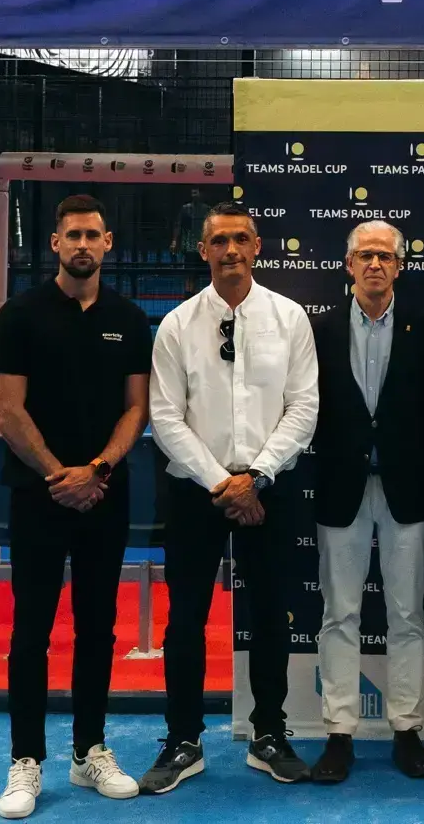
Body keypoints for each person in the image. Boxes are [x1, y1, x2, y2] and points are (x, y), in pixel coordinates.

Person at [141, 202, 320, 794]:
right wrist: (223, 482)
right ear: (203, 251)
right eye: (219, 241)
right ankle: (182, 740)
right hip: (198, 491)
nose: (231, 250)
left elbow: (304, 408)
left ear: (258, 246)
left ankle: (270, 733)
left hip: (269, 489)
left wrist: (258, 477)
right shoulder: (176, 325)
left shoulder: (290, 318)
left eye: (241, 239)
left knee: (272, 615)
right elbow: (165, 418)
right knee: (185, 619)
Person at [0, 195, 151, 819]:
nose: (83, 244)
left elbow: (136, 407)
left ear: (109, 243)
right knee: (31, 631)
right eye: (71, 235)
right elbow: (7, 410)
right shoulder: (21, 315)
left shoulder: (130, 319)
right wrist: (62, 475)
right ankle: (25, 760)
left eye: (93, 235)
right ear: (54, 243)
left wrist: (99, 470)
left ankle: (89, 751)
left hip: (104, 496)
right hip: (39, 496)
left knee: (98, 630)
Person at [308, 220, 424, 783]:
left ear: (400, 265)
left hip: (407, 488)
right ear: (348, 264)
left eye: (385, 256)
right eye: (364, 255)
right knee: (340, 614)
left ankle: (406, 729)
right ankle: (339, 734)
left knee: (407, 614)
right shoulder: (318, 329)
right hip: (342, 488)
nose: (375, 265)